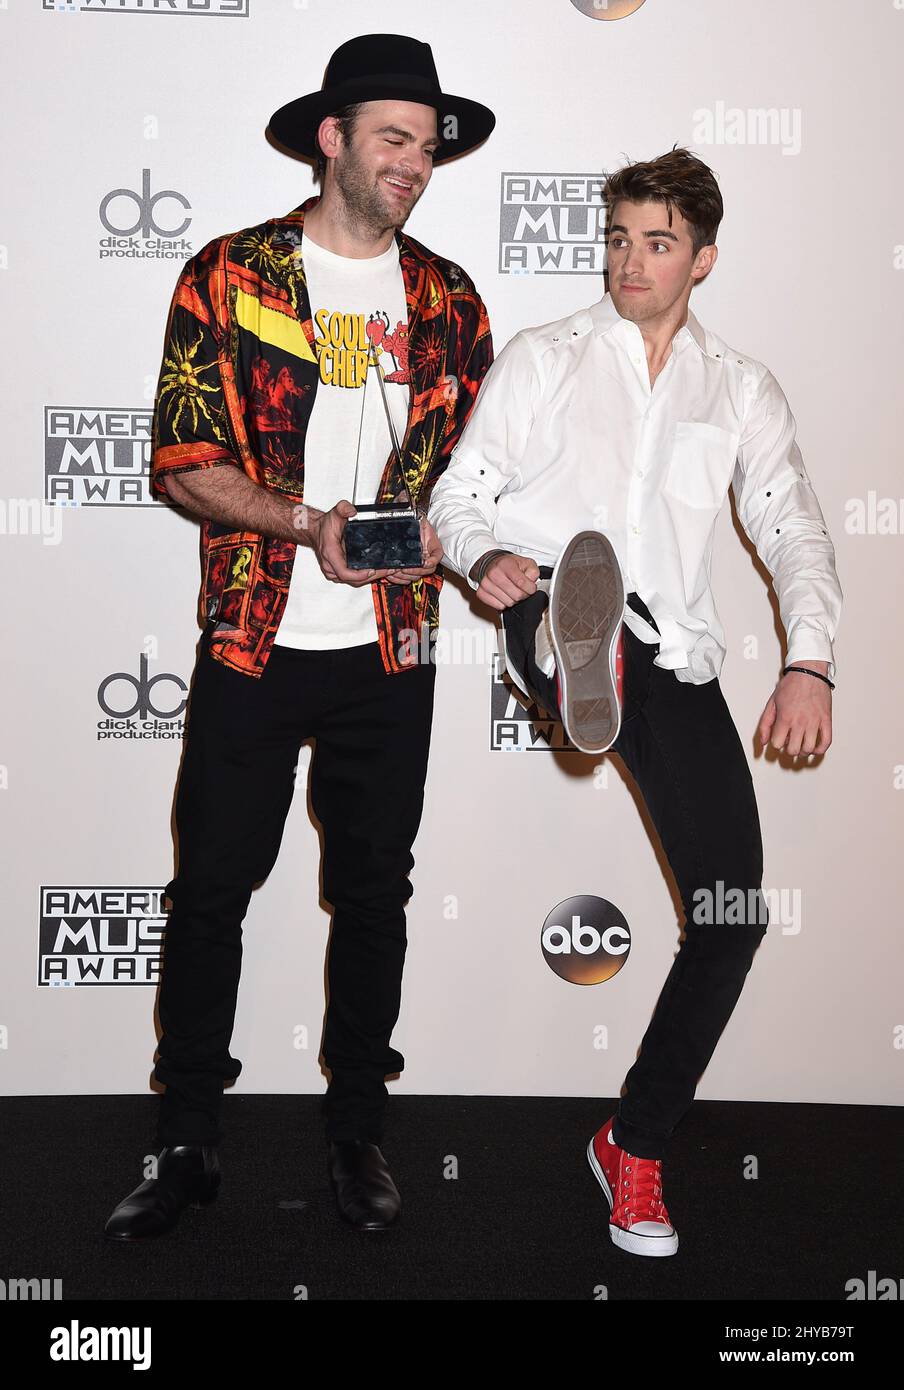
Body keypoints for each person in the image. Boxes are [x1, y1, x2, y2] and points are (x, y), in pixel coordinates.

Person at [104, 33, 494, 1240]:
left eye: (427, 147)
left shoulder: (449, 300)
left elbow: (474, 480)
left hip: (392, 647)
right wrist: (307, 525)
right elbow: (185, 462)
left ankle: (356, 1130)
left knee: (375, 891)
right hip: (254, 640)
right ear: (331, 137)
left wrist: (462, 540)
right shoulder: (230, 277)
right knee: (212, 887)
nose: (413, 164)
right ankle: (184, 1139)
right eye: (393, 137)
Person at [428, 148, 842, 1257]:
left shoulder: (739, 387)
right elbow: (458, 498)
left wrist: (810, 659)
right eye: (616, 238)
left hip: (670, 657)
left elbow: (792, 525)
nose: (628, 261)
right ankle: (571, 653)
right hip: (543, 592)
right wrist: (483, 564)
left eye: (656, 243)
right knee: (562, 586)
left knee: (734, 908)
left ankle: (634, 1143)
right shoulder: (547, 356)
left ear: (703, 259)